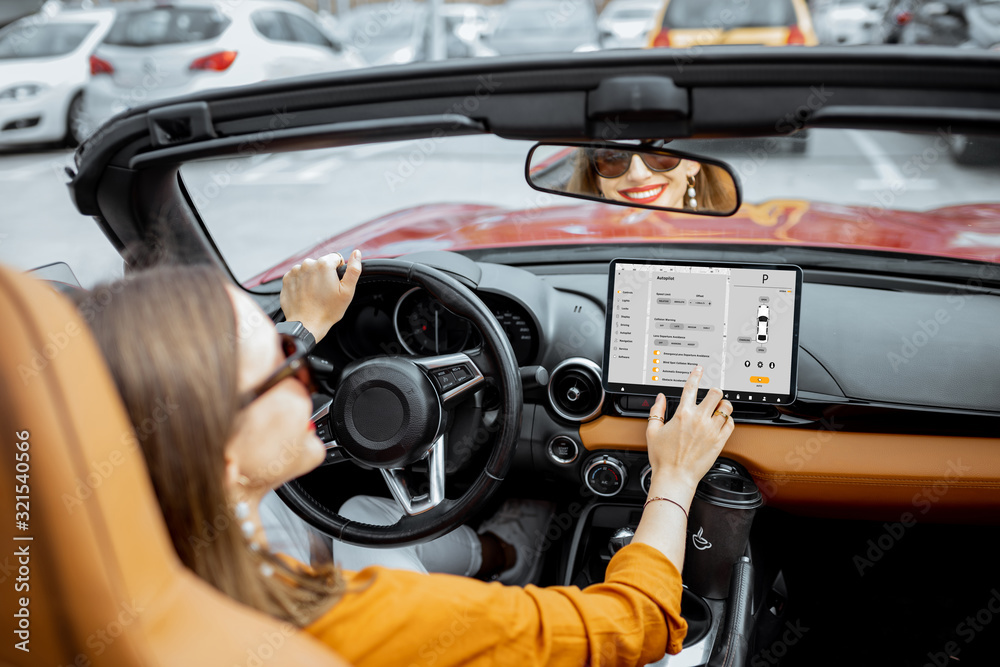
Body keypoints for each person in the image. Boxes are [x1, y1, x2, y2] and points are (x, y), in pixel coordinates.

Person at [83, 256, 736, 666]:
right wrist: (675, 477)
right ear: (220, 452)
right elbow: (637, 624)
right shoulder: (379, 621)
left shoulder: (89, 583)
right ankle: (513, 554)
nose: (309, 375)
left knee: (368, 510)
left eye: (296, 345)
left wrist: (307, 325)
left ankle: (498, 553)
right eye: (285, 362)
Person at [566, 145, 738, 213]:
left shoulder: (721, 242)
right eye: (613, 157)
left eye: (658, 154)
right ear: (595, 177)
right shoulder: (581, 250)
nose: (639, 175)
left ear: (691, 163)